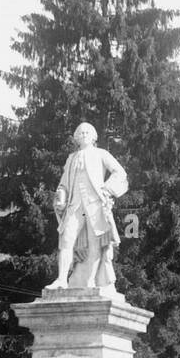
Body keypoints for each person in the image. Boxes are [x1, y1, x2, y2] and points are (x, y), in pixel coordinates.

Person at [45, 122, 129, 292]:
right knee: (66, 240)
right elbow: (64, 184)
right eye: (80, 132)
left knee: (95, 243)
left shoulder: (101, 153)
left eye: (86, 132)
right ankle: (61, 279)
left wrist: (107, 190)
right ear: (76, 137)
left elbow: (120, 173)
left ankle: (90, 281)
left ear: (93, 136)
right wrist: (61, 195)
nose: (83, 135)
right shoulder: (71, 158)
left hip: (95, 205)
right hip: (75, 206)